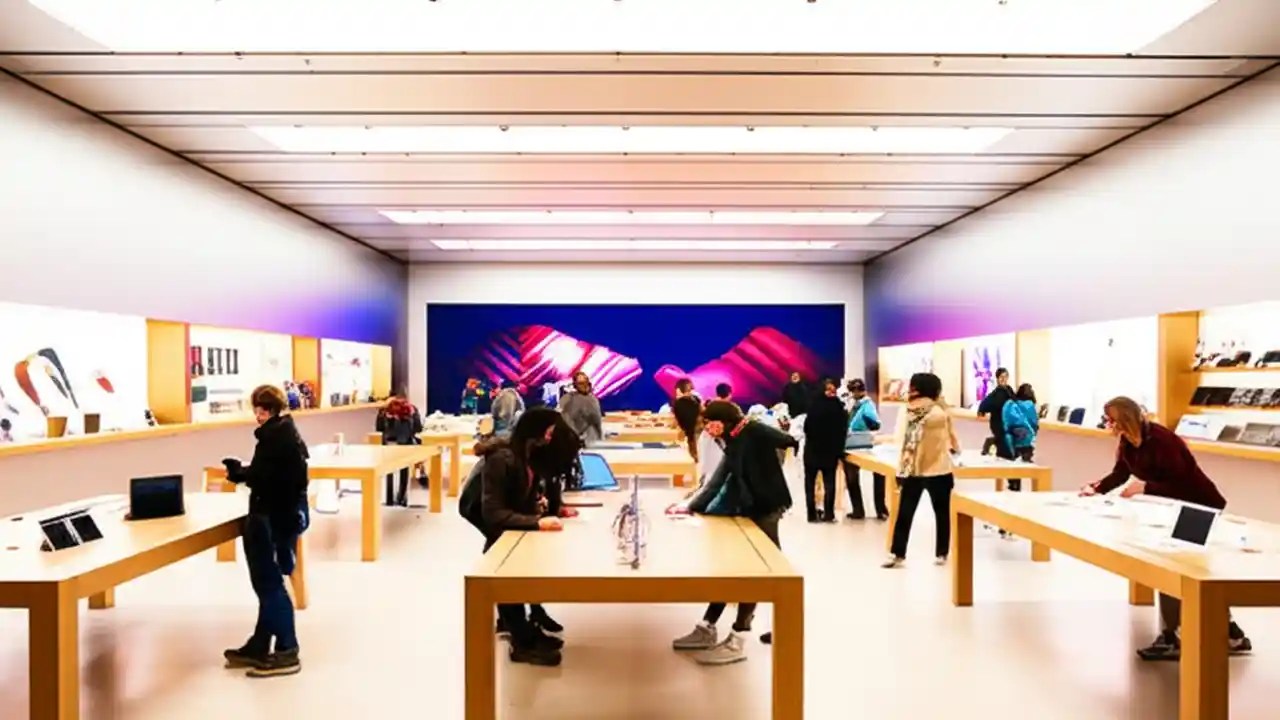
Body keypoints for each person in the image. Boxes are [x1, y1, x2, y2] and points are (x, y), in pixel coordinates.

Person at [1080, 396, 1252, 660]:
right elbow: (1120, 474)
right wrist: (1096, 488)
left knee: (1179, 569)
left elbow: (1180, 482)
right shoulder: (1128, 442)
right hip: (1170, 508)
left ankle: (1174, 637)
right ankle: (1230, 633)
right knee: (1181, 569)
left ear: (1124, 419)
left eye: (1111, 419)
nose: (1108, 424)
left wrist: (1145, 487)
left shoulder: (1162, 441)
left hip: (1199, 506)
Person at [672, 400, 798, 665]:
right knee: (734, 570)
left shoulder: (753, 430)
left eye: (710, 422)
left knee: (759, 571)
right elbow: (719, 478)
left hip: (767, 507)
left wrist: (773, 461)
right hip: (749, 507)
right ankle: (708, 625)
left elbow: (787, 439)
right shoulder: (733, 438)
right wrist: (690, 506)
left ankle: (740, 637)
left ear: (724, 421)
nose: (707, 427)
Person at [478, 408, 583, 666]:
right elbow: (493, 513)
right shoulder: (501, 459)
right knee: (509, 589)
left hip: (513, 533)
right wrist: (536, 522)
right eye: (547, 432)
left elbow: (523, 497)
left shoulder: (526, 457)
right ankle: (521, 643)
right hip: (501, 538)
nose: (549, 437)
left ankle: (525, 631)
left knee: (517, 590)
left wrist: (546, 508)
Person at [221, 385, 311, 678]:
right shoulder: (286, 434)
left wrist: (243, 475)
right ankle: (260, 644)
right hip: (280, 518)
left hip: (268, 519)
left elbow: (268, 479)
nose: (259, 415)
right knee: (268, 584)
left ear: (271, 409)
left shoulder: (274, 438)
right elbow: (273, 474)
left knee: (269, 584)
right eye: (257, 409)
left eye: (263, 409)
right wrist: (244, 473)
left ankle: (287, 649)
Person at [882, 373, 959, 569]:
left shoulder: (906, 411)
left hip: (912, 469)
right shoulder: (939, 412)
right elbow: (952, 438)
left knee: (904, 513)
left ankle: (897, 553)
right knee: (942, 514)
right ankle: (942, 552)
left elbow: (900, 440)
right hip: (939, 469)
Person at [803, 378, 849, 523]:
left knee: (810, 484)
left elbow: (807, 428)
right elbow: (843, 430)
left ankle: (811, 514)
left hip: (812, 451)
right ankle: (829, 514)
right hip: (830, 452)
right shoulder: (839, 408)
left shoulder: (813, 407)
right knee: (830, 483)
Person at [842, 379, 887, 520]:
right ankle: (859, 509)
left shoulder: (867, 406)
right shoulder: (853, 405)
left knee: (877, 474)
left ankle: (880, 509)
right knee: (852, 478)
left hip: (864, 443)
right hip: (851, 443)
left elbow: (875, 424)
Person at [375, 393, 424, 506]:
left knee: (388, 471)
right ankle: (402, 498)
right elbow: (418, 428)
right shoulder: (412, 409)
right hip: (405, 444)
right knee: (404, 470)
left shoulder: (384, 410)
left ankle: (389, 498)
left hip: (388, 444)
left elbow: (379, 428)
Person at [976, 368, 1017, 488]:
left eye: (1006, 376)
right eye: (1001, 377)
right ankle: (1012, 481)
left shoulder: (1009, 391)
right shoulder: (997, 393)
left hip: (1009, 424)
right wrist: (981, 411)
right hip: (999, 424)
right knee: (1006, 452)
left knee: (1008, 452)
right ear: (998, 379)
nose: (1004, 379)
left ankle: (1012, 481)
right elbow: (986, 404)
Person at [559, 372, 604, 446]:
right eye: (581, 383)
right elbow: (562, 416)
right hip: (570, 438)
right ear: (575, 385)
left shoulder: (593, 400)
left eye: (586, 382)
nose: (585, 385)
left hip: (589, 439)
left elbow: (597, 423)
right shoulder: (567, 398)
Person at [671, 378, 703, 461]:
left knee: (691, 455)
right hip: (698, 431)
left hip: (688, 433)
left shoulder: (677, 403)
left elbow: (676, 421)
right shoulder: (696, 399)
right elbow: (702, 411)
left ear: (678, 390)